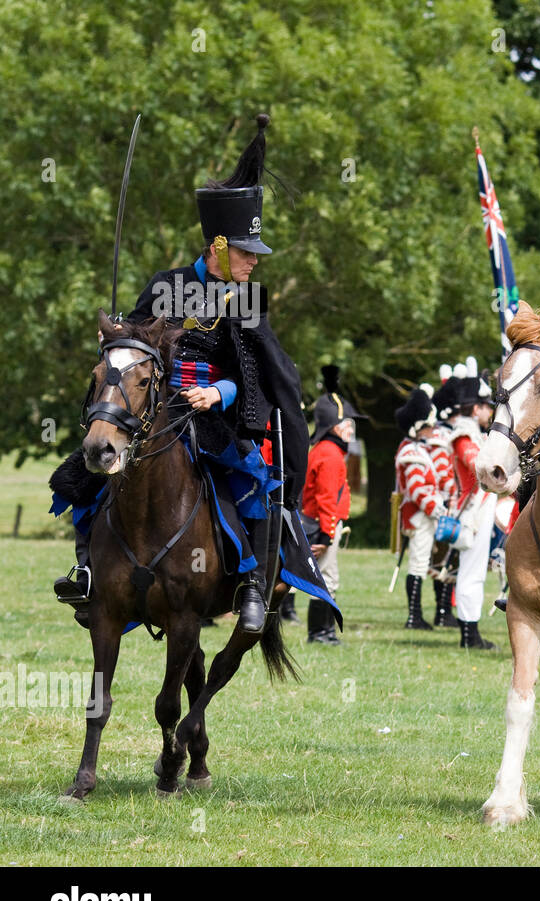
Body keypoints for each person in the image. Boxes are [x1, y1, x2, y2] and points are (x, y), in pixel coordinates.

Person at [52, 114, 333, 635]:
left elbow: (256, 374)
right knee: (82, 475)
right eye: (248, 254)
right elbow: (134, 336)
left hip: (211, 417)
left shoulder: (246, 300)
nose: (254, 264)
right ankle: (88, 573)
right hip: (152, 408)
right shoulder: (167, 285)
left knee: (253, 485)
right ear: (220, 249)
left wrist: (218, 392)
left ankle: (252, 586)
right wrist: (113, 336)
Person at [440, 362, 498, 650]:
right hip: (472, 509)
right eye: (487, 407)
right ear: (476, 409)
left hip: (480, 506)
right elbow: (478, 464)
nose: (490, 412)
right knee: (471, 571)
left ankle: (470, 630)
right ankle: (468, 633)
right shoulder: (463, 436)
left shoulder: (472, 433)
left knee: (474, 570)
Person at [394, 383, 457, 630]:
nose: (433, 430)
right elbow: (419, 491)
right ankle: (414, 616)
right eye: (428, 425)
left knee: (422, 563)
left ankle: (417, 615)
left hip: (425, 514)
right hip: (419, 515)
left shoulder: (418, 449)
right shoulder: (412, 452)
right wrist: (439, 510)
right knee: (419, 564)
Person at [302, 390, 358, 645]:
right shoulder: (330, 455)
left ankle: (324, 631)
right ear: (333, 426)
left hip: (325, 522)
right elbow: (326, 499)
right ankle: (320, 632)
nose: (352, 428)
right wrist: (326, 534)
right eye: (347, 422)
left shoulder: (326, 450)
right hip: (324, 524)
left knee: (328, 576)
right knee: (326, 578)